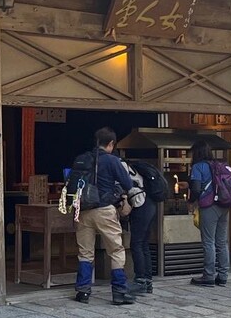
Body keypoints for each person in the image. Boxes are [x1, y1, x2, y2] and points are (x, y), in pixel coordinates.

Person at [69, 127, 137, 306]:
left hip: (82, 210)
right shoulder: (112, 161)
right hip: (104, 210)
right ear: (111, 144)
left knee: (85, 251)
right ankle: (119, 292)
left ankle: (83, 291)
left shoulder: (82, 159)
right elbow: (128, 183)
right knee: (115, 250)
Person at [188, 138, 229, 286]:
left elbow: (196, 188)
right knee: (222, 242)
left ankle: (209, 275)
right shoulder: (217, 164)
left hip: (208, 206)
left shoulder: (198, 167)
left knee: (208, 241)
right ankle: (223, 275)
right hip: (223, 205)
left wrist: (191, 201)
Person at [124, 156, 163, 295]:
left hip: (141, 205)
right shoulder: (135, 166)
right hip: (150, 204)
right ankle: (147, 281)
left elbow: (124, 185)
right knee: (144, 243)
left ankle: (140, 280)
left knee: (136, 244)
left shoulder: (122, 166)